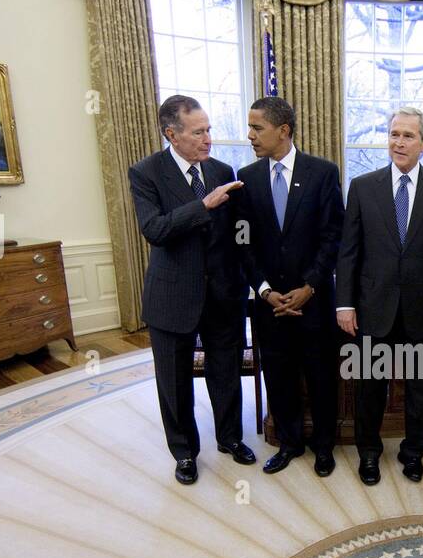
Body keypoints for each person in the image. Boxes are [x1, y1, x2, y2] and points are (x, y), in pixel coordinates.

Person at [127, 94, 256, 486]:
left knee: (226, 372)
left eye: (209, 130)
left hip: (223, 295)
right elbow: (156, 230)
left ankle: (230, 438)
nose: (208, 139)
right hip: (172, 298)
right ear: (172, 134)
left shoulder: (222, 169)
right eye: (199, 132)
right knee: (175, 381)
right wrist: (204, 204)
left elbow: (237, 234)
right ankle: (184, 453)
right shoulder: (145, 173)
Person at [335, 106, 423, 485]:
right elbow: (349, 251)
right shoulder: (363, 186)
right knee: (370, 388)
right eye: (393, 134)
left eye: (407, 136)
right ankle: (369, 454)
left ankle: (413, 454)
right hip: (373, 308)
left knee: (420, 390)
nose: (398, 142)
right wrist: (345, 303)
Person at [236, 96, 344, 476]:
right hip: (270, 305)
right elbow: (243, 241)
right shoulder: (246, 178)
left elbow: (333, 237)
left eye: (257, 127)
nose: (250, 135)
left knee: (321, 377)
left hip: (313, 301)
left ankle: (325, 448)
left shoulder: (323, 172)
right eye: (250, 127)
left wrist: (310, 286)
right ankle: (289, 443)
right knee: (278, 377)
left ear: (283, 130)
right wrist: (265, 290)